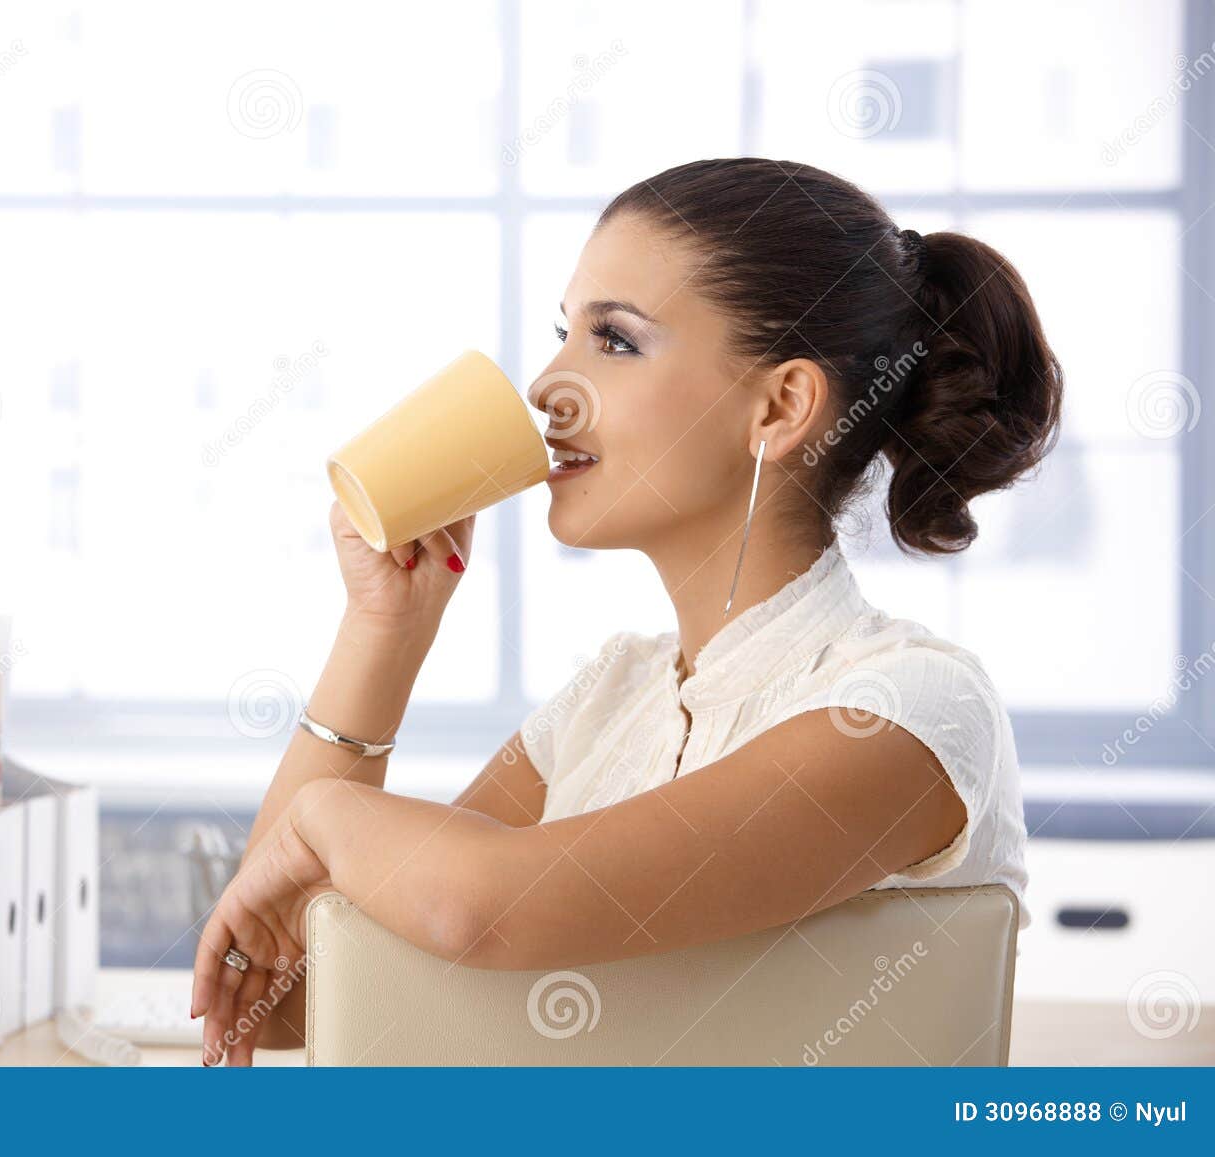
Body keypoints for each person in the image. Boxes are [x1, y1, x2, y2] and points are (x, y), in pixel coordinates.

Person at [191, 157, 1061, 1066]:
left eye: (614, 341)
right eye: (564, 332)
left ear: (781, 406)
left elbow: (482, 905)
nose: (543, 388)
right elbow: (288, 994)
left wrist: (324, 812)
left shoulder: (910, 709)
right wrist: (385, 631)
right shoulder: (608, 699)